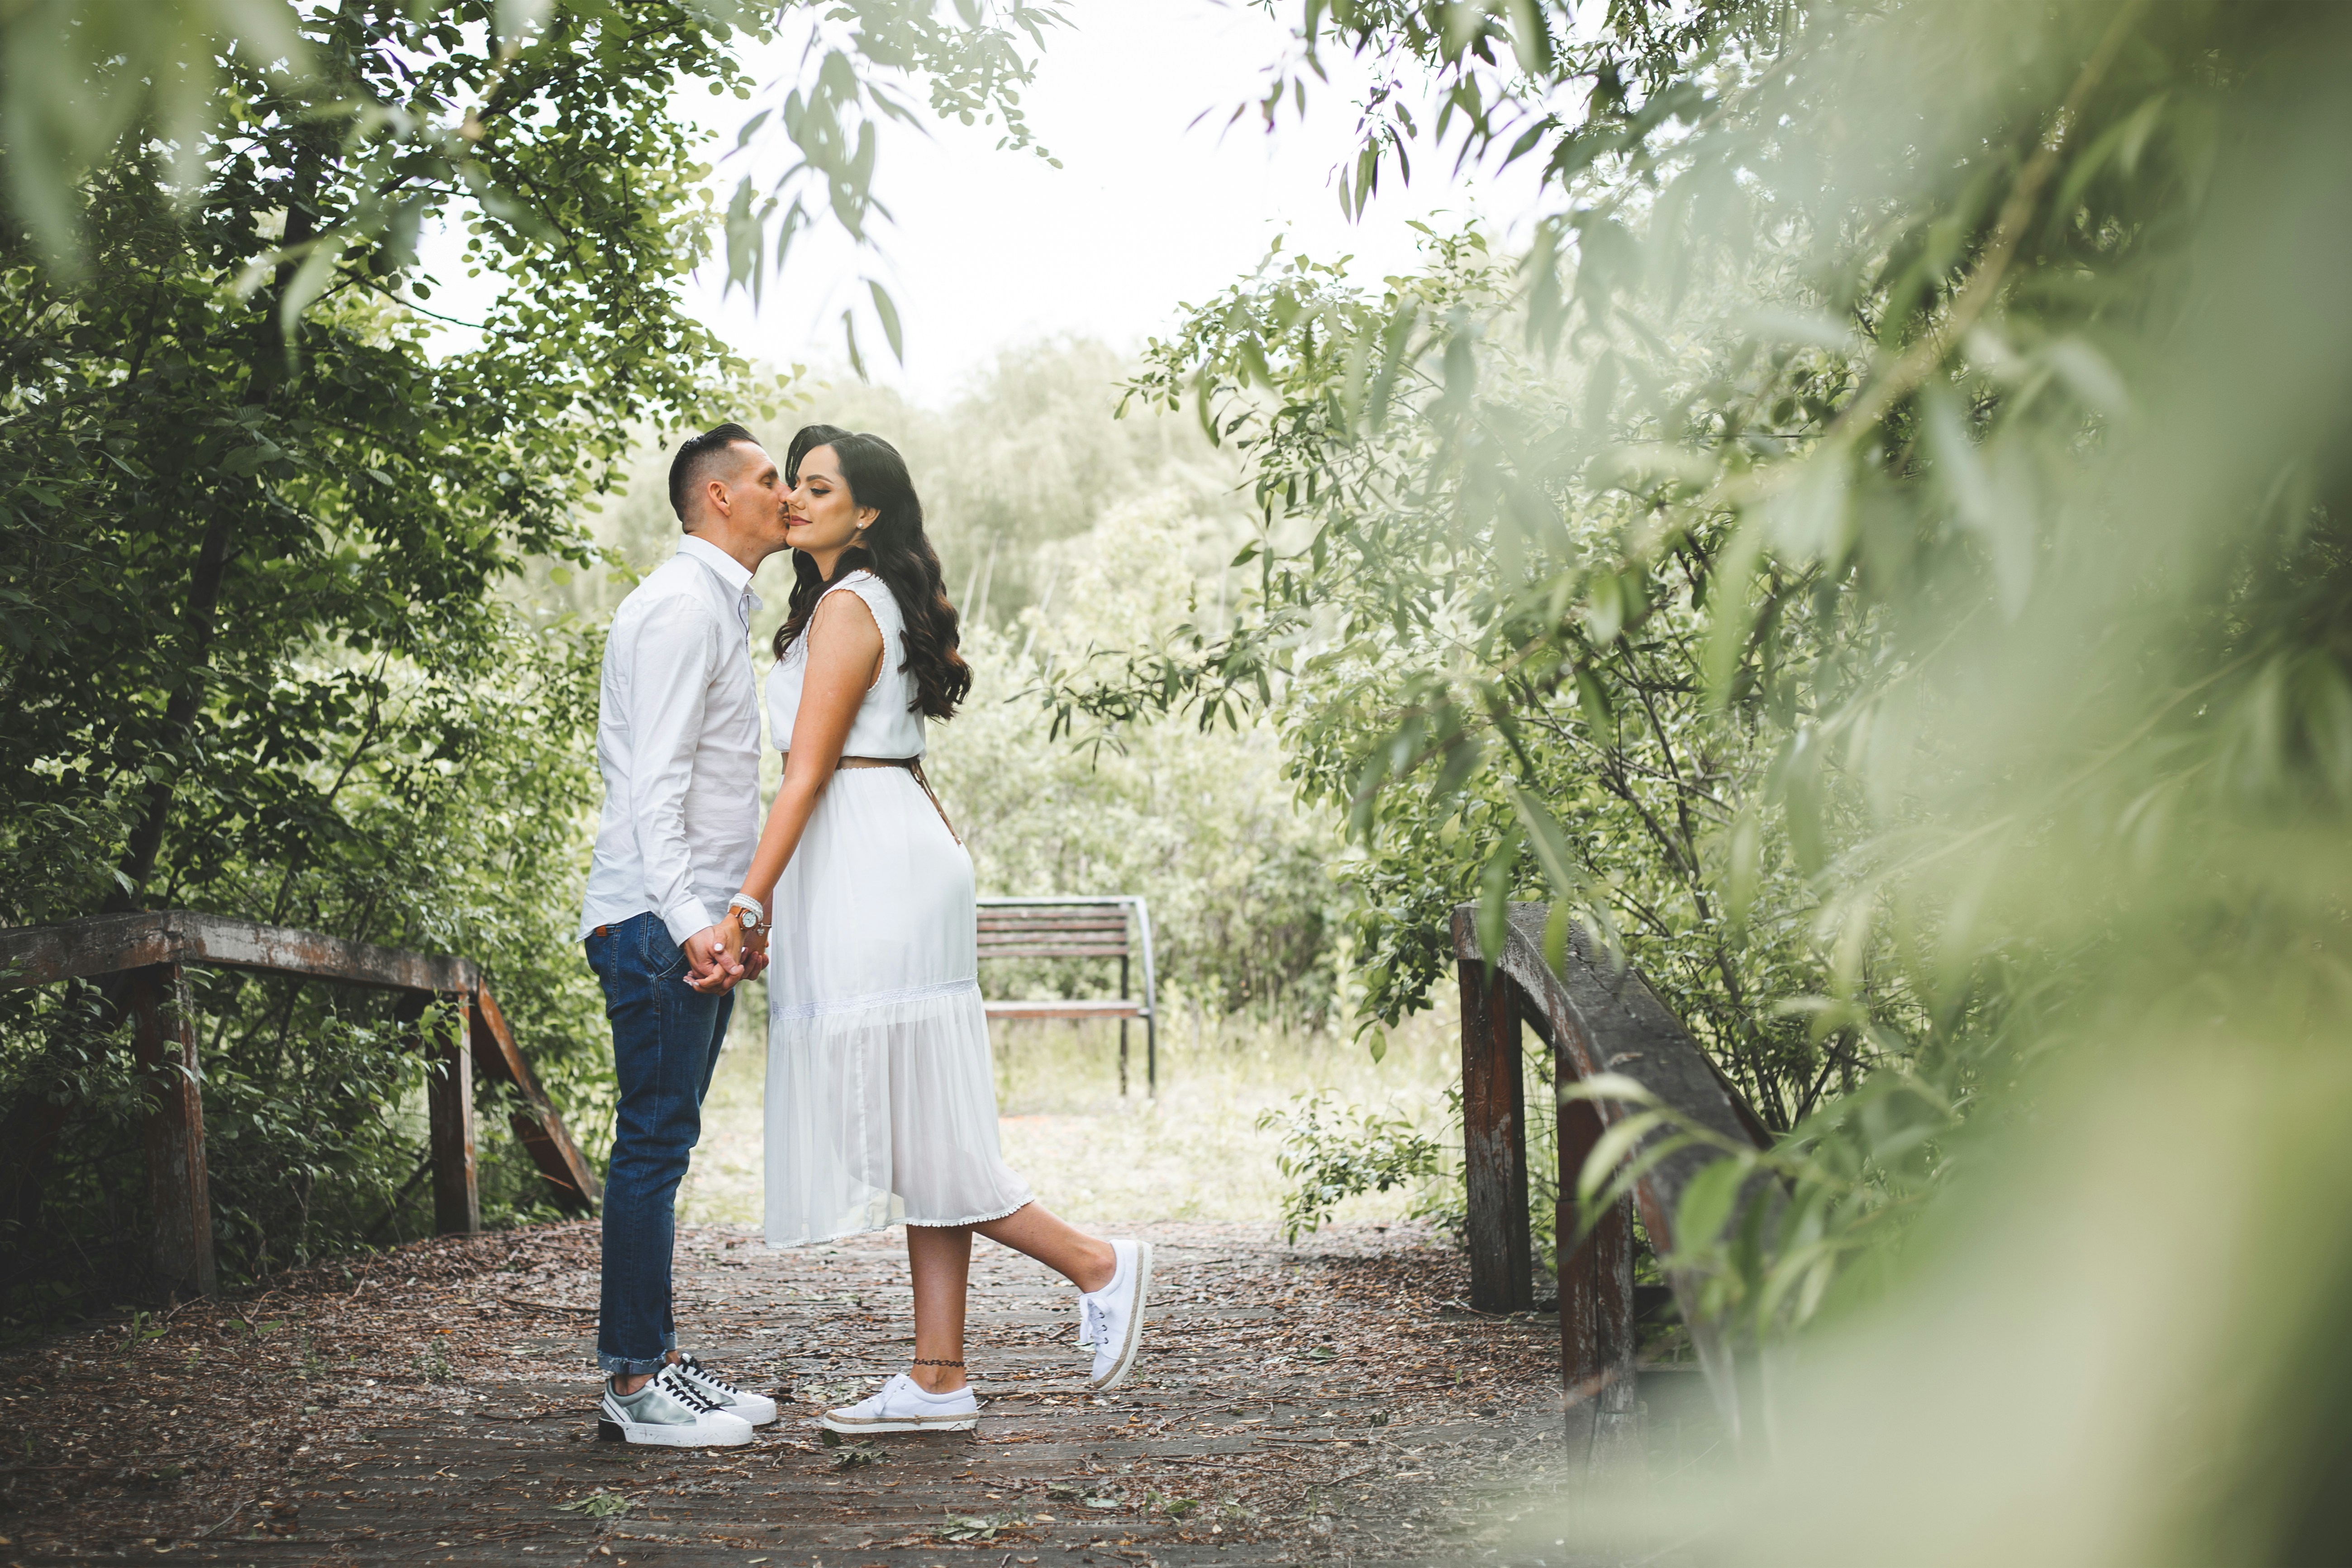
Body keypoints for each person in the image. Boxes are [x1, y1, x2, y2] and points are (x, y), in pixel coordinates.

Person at [715, 424, 1151, 1435]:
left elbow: (808, 770)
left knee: (902, 1127)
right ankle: (939, 1374)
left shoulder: (846, 605)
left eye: (818, 488)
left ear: (865, 511)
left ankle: (1095, 1260)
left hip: (872, 866)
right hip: (882, 852)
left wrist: (747, 901)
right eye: (794, 485)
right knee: (912, 1120)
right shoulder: (852, 602)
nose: (795, 500)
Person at [576, 424, 789, 1447]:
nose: (784, 492)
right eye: (766, 478)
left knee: (669, 1141)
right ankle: (631, 1381)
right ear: (716, 498)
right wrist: (694, 919)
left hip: (694, 918)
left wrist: (739, 909)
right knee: (653, 1146)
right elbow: (647, 788)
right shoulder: (676, 608)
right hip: (659, 921)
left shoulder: (714, 606)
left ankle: (655, 1354)